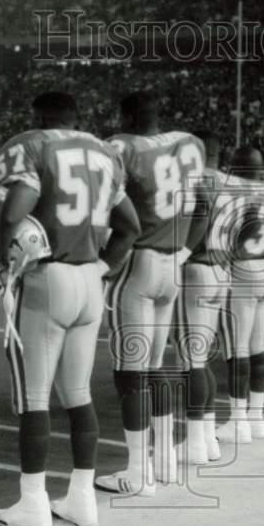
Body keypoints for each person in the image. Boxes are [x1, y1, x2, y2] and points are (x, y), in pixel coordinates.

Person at [0, 92, 140, 526]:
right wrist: (104, 266)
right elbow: (131, 226)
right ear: (76, 117)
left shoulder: (33, 144)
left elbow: (12, 214)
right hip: (90, 277)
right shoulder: (105, 152)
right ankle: (82, 499)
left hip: (47, 278)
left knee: (34, 397)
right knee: (78, 393)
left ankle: (33, 502)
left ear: (37, 115)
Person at [97, 91, 206, 496]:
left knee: (130, 372)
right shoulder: (188, 143)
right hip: (172, 262)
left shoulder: (120, 147)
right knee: (156, 366)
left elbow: (108, 207)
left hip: (138, 263)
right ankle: (165, 463)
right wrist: (186, 249)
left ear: (125, 114)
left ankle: (137, 472)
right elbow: (203, 204)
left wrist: (101, 262)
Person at [218, 145, 264, 442]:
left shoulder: (235, 190)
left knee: (237, 348)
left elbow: (228, 233)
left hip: (243, 267)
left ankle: (238, 422)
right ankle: (256, 417)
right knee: (258, 345)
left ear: (235, 166)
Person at [172, 131, 232, 463]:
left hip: (198, 267)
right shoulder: (231, 182)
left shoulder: (199, 178)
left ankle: (196, 441)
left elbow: (203, 211)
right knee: (201, 357)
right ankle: (207, 438)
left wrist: (183, 250)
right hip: (221, 268)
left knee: (191, 360)